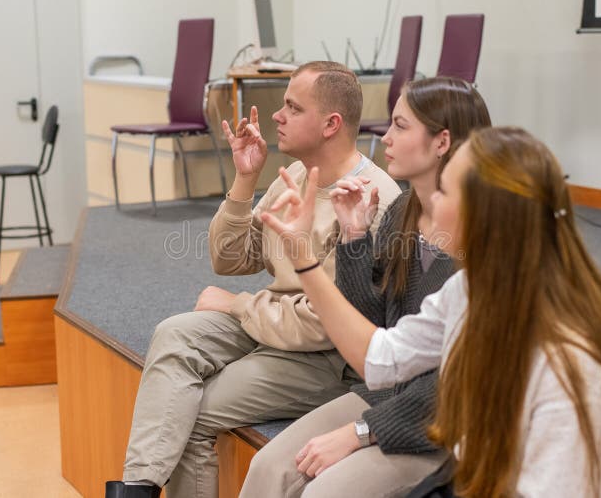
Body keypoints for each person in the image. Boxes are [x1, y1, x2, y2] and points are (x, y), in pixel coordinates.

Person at [260, 126, 601, 497]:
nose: (430, 200)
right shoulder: (470, 289)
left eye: (443, 191)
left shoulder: (570, 361)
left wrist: (363, 432)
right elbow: (379, 357)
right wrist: (304, 258)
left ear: (482, 216)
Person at [105, 61, 402, 498]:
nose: (277, 116)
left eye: (293, 108)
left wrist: (236, 305)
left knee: (189, 413)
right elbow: (230, 259)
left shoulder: (370, 199)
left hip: (325, 358)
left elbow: (322, 324)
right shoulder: (296, 175)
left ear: (331, 124)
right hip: (273, 322)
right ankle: (137, 488)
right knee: (173, 333)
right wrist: (245, 180)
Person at [240, 77, 491, 497]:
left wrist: (363, 431)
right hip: (388, 394)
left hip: (446, 421)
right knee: (268, 467)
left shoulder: (481, 242)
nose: (385, 137)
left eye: (400, 126)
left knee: (325, 492)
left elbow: (460, 384)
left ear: (442, 141)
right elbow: (370, 335)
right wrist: (355, 237)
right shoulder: (402, 211)